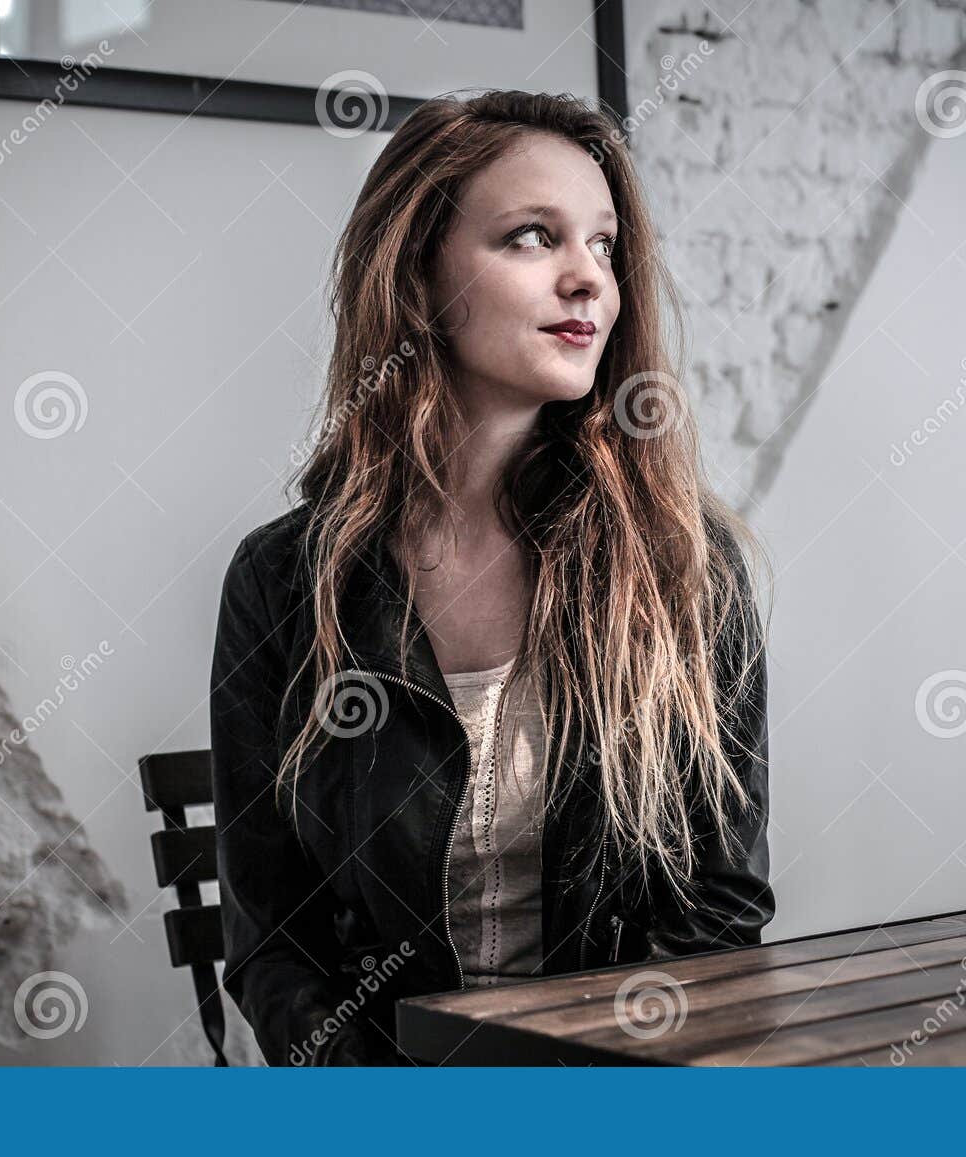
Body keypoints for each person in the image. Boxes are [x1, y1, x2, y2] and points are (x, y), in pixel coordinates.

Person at [210, 89, 775, 1067]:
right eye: (532, 237)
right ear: (418, 279)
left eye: (603, 244)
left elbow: (718, 913)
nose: (588, 278)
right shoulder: (282, 581)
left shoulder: (684, 567)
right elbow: (275, 943)